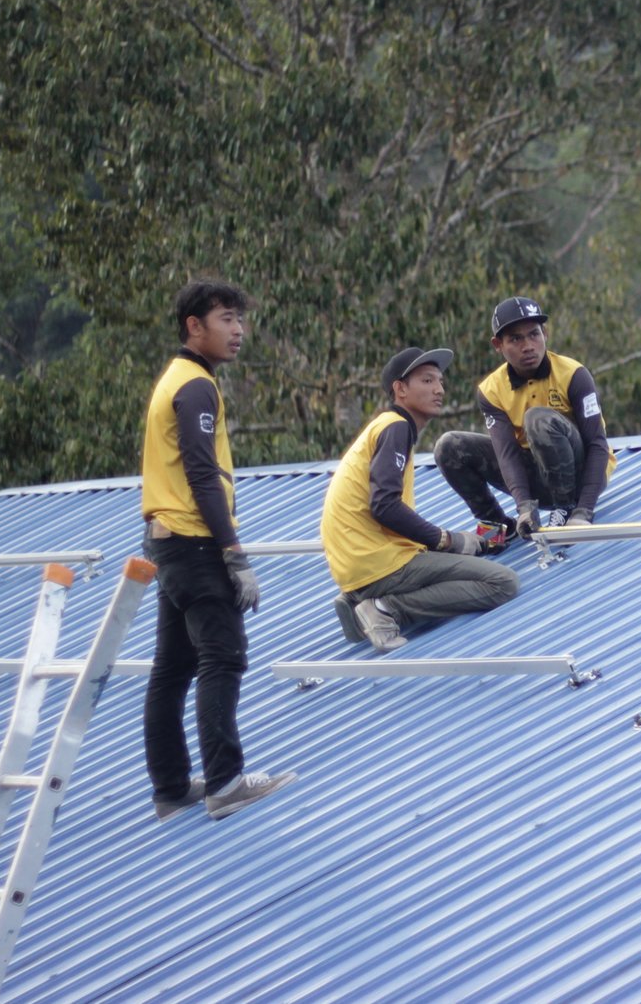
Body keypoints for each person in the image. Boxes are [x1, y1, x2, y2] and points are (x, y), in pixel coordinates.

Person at [140, 279, 296, 822]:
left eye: (240, 320)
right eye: (227, 319)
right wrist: (234, 554)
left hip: (166, 540)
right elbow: (203, 474)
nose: (239, 330)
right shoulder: (197, 386)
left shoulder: (178, 378)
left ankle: (171, 787)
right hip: (194, 541)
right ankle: (225, 784)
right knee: (223, 657)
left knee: (173, 667)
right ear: (194, 326)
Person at [322, 346, 520, 653]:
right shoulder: (396, 428)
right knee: (503, 582)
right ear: (400, 389)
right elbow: (385, 505)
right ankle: (385, 609)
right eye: (427, 381)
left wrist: (459, 541)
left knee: (469, 549)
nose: (439, 389)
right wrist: (446, 540)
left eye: (440, 381)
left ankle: (357, 598)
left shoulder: (386, 428)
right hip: (378, 563)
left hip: (362, 563)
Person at [435, 296, 614, 544]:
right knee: (449, 445)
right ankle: (495, 527)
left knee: (537, 420)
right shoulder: (491, 390)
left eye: (534, 334)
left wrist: (583, 511)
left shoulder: (574, 374)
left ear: (545, 334)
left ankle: (564, 509)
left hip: (581, 478)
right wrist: (524, 508)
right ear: (498, 344)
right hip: (539, 477)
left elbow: (597, 444)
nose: (528, 345)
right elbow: (506, 454)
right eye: (515, 339)